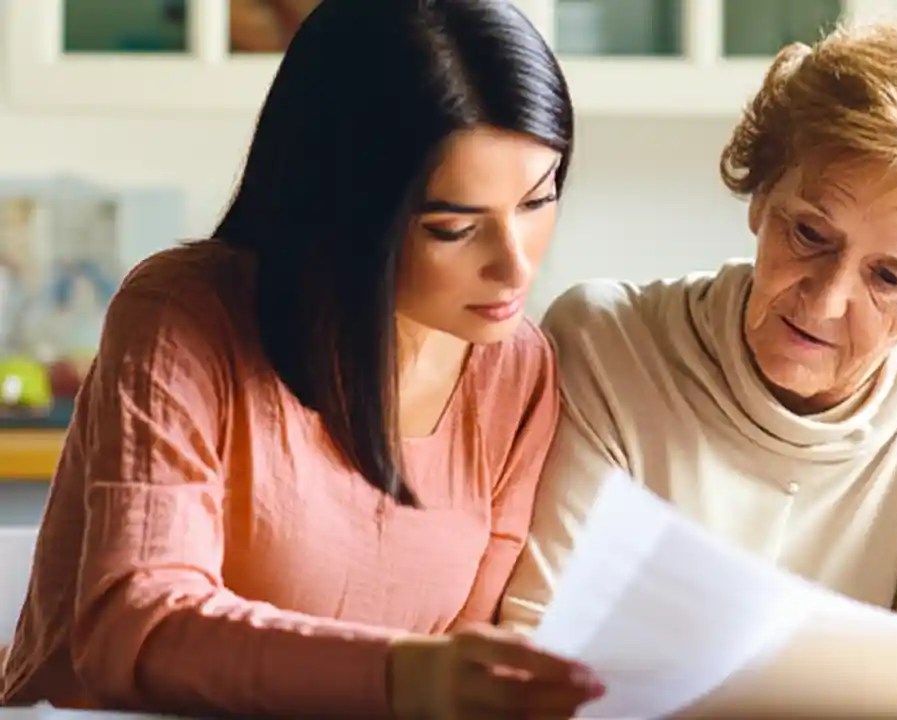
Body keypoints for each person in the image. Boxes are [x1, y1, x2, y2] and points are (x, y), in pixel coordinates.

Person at [1, 0, 605, 717]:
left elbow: (472, 655)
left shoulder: (518, 369)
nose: (515, 268)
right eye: (453, 228)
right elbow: (137, 622)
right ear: (346, 209)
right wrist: (408, 677)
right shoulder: (184, 314)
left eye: (539, 201)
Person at [501, 13, 897, 717]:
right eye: (809, 233)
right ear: (762, 196)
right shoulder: (612, 347)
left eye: (889, 278)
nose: (827, 302)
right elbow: (530, 647)